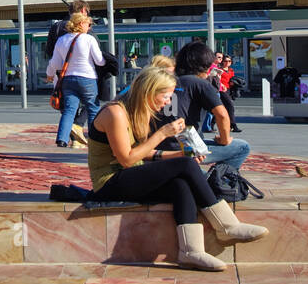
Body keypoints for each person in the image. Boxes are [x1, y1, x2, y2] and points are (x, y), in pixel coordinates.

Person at [87, 67, 267, 270]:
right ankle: (226, 225)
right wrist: (162, 134)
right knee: (185, 167)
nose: (167, 103)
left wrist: (180, 155)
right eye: (165, 97)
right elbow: (127, 159)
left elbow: (144, 153)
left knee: (180, 183)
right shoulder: (115, 112)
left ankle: (191, 251)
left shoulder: (142, 111)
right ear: (149, 91)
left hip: (129, 175)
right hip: (109, 182)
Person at [172, 42, 251, 175]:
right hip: (188, 147)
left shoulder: (168, 81)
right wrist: (224, 139)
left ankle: (202, 177)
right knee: (242, 147)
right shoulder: (200, 84)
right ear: (206, 65)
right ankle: (220, 182)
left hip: (162, 145)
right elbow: (222, 115)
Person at [46, 10, 104, 148]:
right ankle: (94, 140)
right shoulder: (89, 39)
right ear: (80, 24)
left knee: (69, 110)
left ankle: (62, 140)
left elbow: (55, 63)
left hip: (68, 79)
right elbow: (99, 61)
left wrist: (49, 74)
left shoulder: (61, 40)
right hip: (87, 78)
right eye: (88, 24)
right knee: (92, 108)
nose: (89, 27)